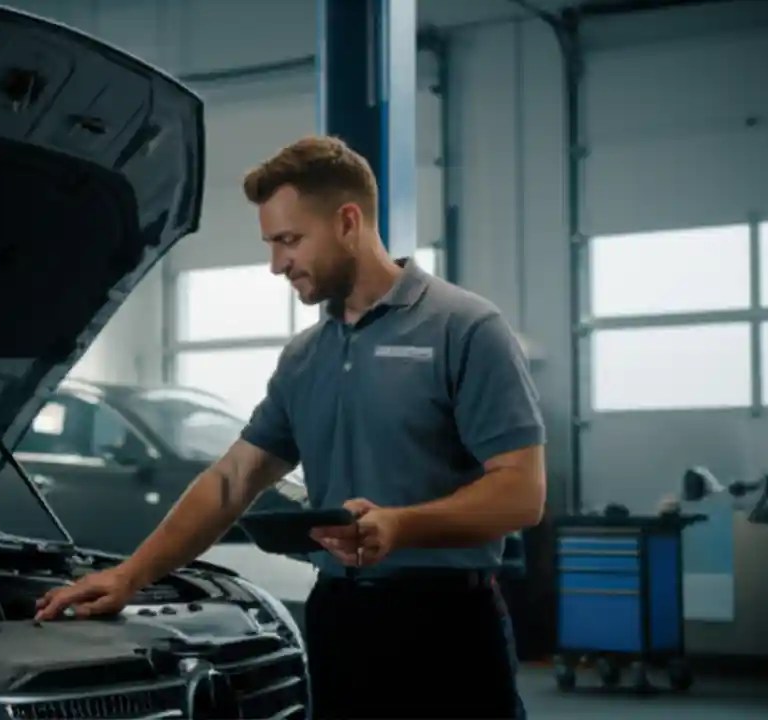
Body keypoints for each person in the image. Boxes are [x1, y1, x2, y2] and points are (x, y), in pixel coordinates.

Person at [34, 135, 547, 719]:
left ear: (348, 222)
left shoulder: (466, 328)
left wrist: (401, 526)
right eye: (271, 244)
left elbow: (521, 492)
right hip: (339, 618)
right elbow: (234, 479)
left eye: (289, 241)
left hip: (448, 626)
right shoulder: (305, 357)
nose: (277, 264)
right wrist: (130, 576)